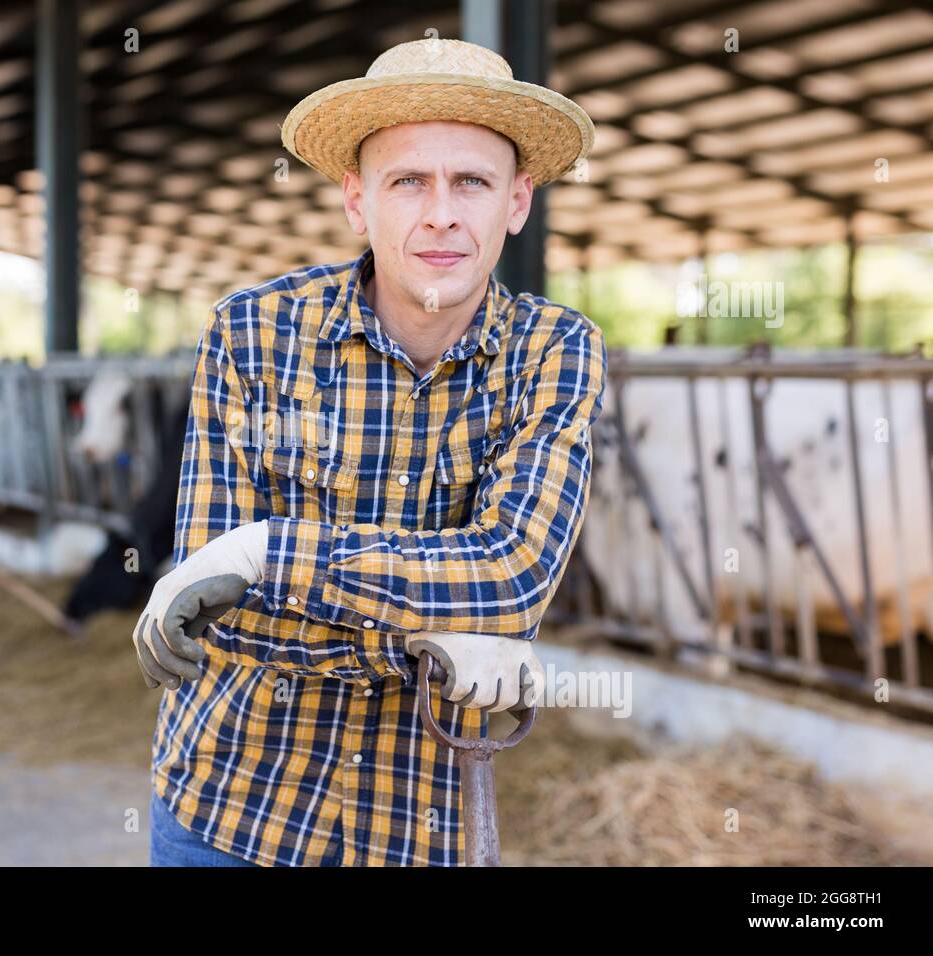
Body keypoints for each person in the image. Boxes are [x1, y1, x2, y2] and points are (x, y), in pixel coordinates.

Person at [133, 38, 606, 866]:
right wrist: (438, 639)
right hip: (227, 810)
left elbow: (513, 578)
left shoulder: (555, 350)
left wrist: (266, 553)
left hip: (418, 829)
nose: (442, 213)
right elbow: (224, 620)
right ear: (357, 200)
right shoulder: (251, 332)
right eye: (408, 181)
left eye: (473, 181)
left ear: (518, 201)